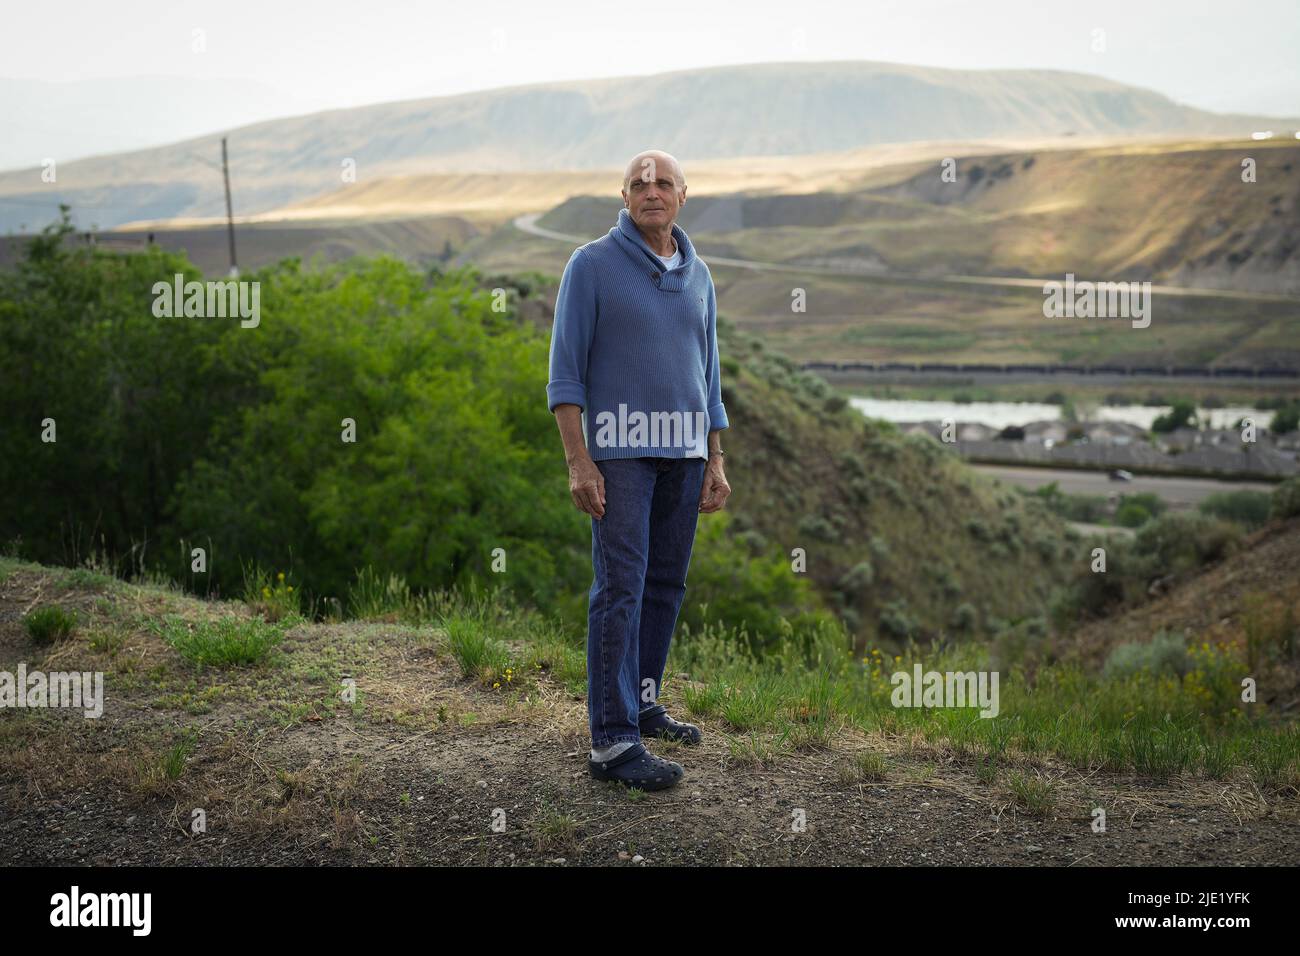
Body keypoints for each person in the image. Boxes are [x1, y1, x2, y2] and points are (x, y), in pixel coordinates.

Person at [546, 148, 732, 791]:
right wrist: (579, 461)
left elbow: (709, 376)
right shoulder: (591, 265)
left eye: (662, 182)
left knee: (665, 587)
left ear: (684, 194)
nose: (650, 190)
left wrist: (715, 457)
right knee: (619, 588)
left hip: (685, 453)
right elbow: (565, 374)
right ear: (623, 198)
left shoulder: (700, 272)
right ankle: (612, 742)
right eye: (637, 183)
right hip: (619, 453)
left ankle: (644, 702)